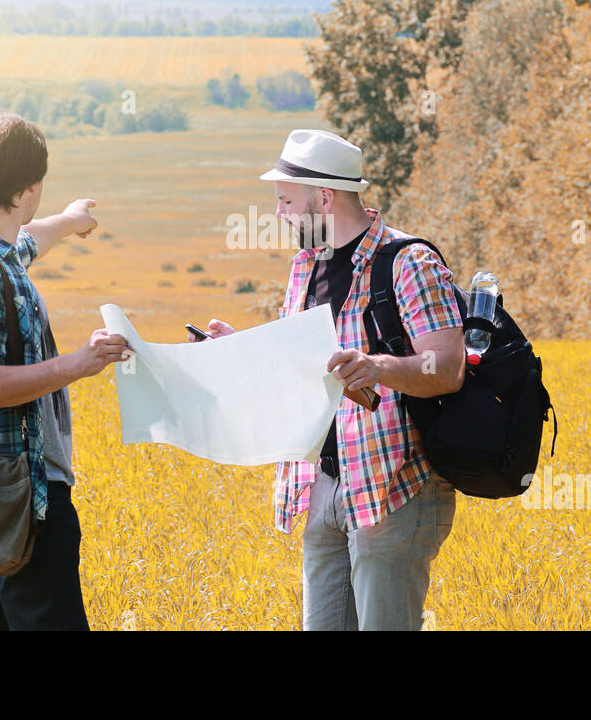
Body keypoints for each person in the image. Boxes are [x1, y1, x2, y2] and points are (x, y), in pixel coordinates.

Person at [195, 128, 465, 630]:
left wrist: (377, 365)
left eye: (285, 200)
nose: (278, 213)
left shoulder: (410, 263)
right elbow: (297, 366)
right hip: (324, 483)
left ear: (324, 196)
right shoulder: (306, 266)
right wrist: (234, 351)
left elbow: (446, 368)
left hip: (394, 487)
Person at [0, 112, 130, 631]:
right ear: (23, 190)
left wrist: (69, 219)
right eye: (37, 187)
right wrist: (76, 365)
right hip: (20, 497)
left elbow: (25, 243)